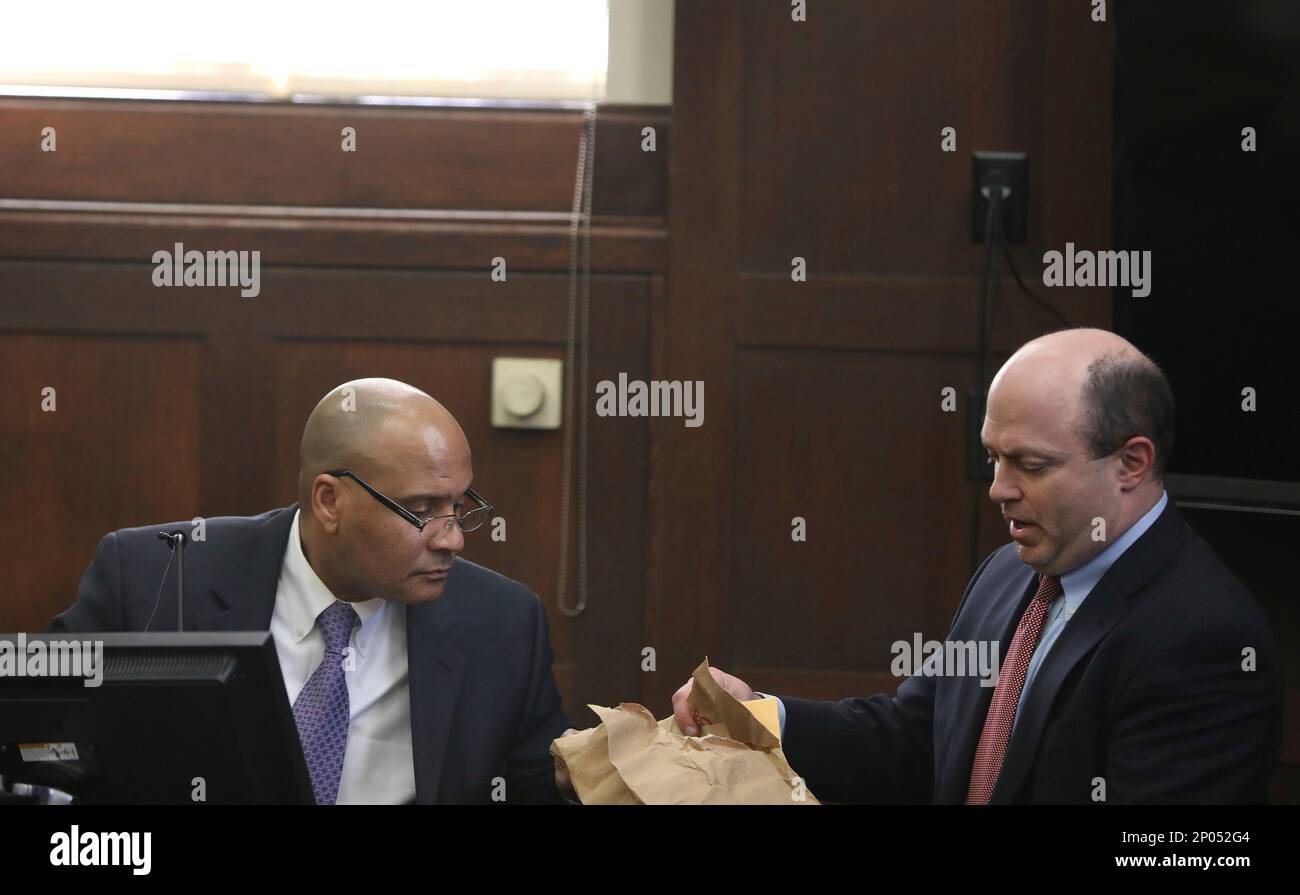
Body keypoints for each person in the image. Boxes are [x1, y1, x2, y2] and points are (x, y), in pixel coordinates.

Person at [671, 328, 1281, 803]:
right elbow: (919, 741)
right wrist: (760, 719)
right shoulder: (1009, 572)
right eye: (992, 458)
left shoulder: (1207, 639)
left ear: (1131, 463)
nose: (998, 489)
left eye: (1031, 466)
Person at [50, 378, 572, 804]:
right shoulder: (154, 578)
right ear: (329, 501)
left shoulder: (503, 623)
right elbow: (41, 739)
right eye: (422, 509)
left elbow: (538, 793)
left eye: (460, 505)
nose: (453, 537)